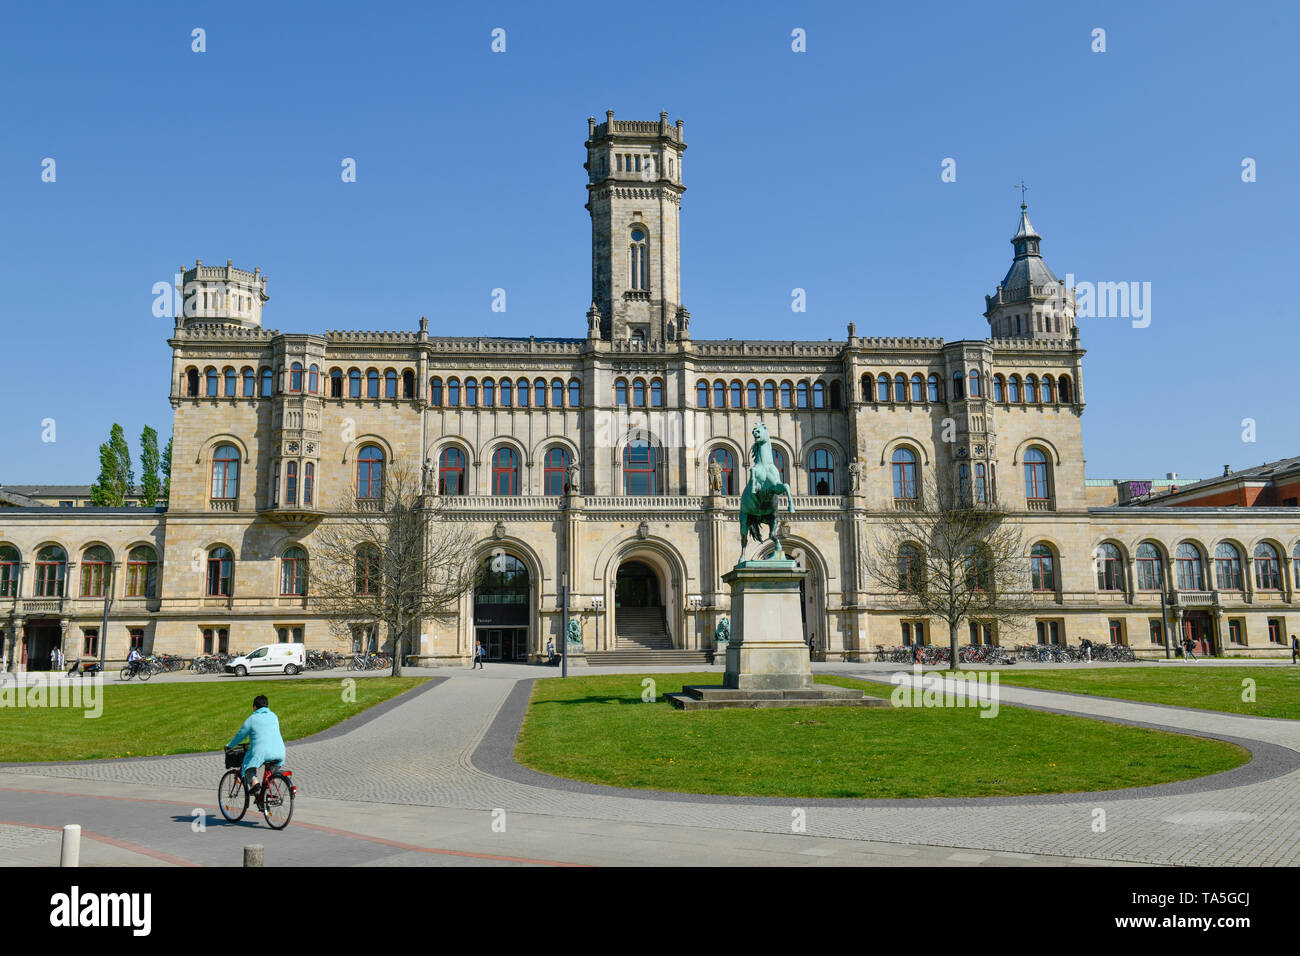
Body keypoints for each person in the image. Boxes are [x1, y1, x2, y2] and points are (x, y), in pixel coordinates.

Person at [226, 695, 286, 807]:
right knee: (271, 775)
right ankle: (267, 795)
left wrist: (230, 745)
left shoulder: (252, 719)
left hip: (262, 752)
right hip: (280, 752)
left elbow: (240, 735)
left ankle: (255, 784)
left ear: (254, 707)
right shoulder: (274, 716)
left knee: (248, 768)